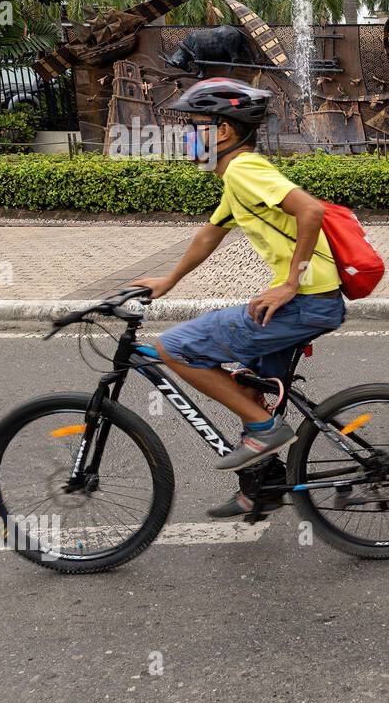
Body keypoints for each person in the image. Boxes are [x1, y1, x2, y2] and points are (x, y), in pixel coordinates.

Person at [130, 77, 347, 517]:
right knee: (251, 387)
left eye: (194, 127)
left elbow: (311, 210)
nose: (188, 137)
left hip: (306, 301)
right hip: (309, 301)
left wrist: (290, 281)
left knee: (174, 347)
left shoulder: (245, 170)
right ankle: (263, 484)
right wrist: (168, 280)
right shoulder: (235, 178)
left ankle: (265, 430)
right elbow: (210, 234)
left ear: (223, 131)